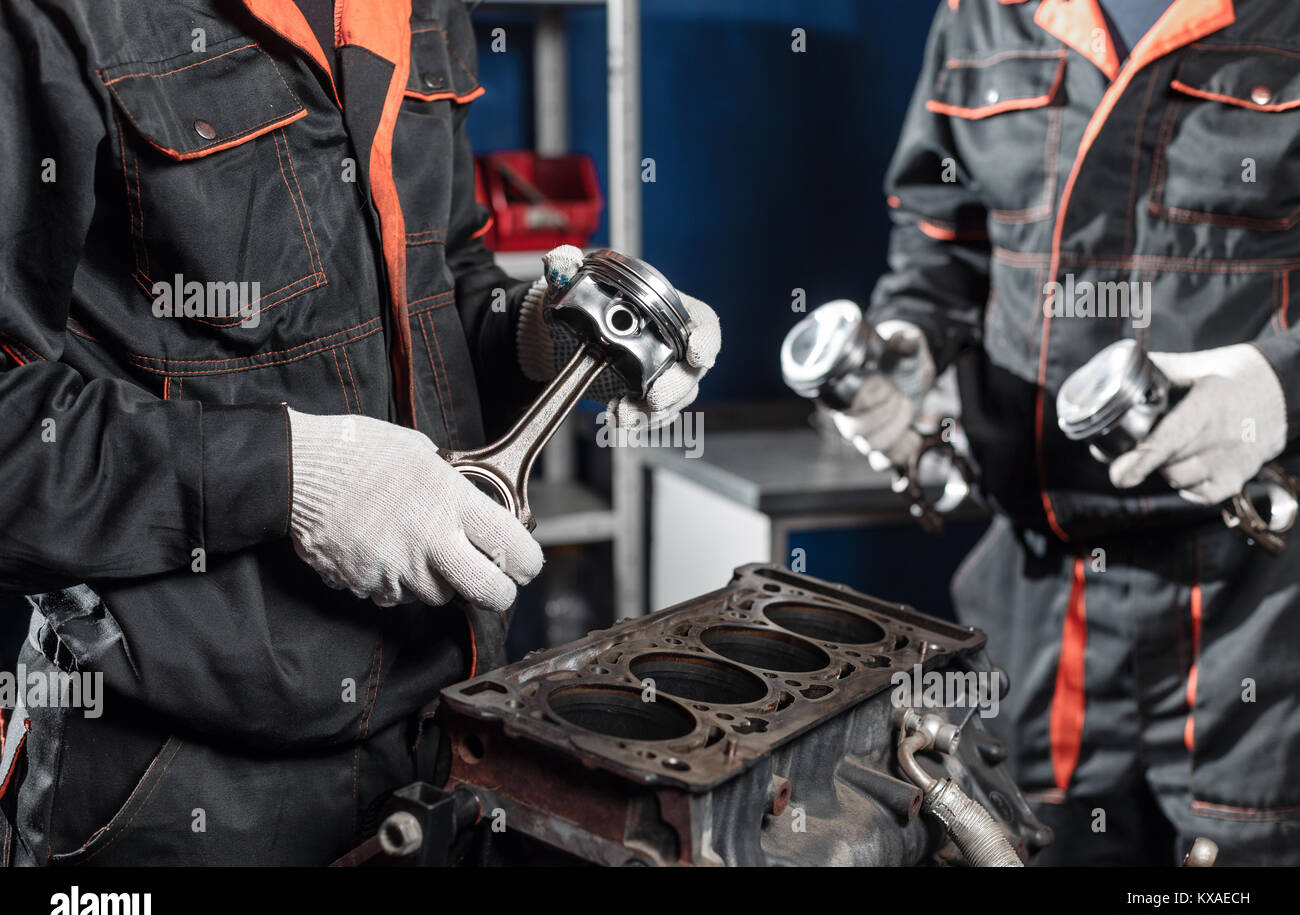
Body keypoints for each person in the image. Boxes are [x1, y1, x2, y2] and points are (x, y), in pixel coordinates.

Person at [0, 0, 719, 866]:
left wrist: (542, 337)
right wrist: (290, 476)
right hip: (176, 780)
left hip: (449, 728)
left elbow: (438, 273)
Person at [832, 0, 1300, 864]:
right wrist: (907, 341)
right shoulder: (983, 16)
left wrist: (1281, 386)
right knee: (1020, 841)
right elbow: (941, 245)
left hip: (1261, 596)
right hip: (1036, 594)